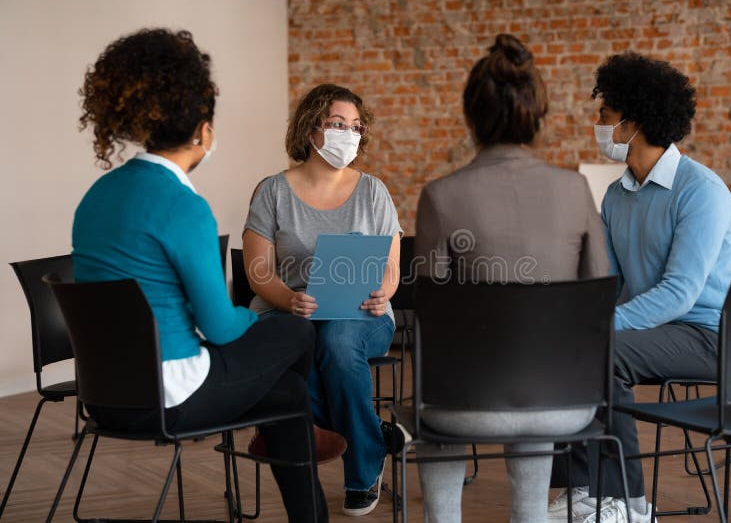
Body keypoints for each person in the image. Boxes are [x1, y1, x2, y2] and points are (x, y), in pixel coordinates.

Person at [71, 28, 328, 522]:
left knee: (290, 396)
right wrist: (259, 322)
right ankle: (303, 440)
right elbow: (222, 327)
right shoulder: (184, 206)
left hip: (104, 395)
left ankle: (293, 430)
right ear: (203, 131)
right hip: (171, 396)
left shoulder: (96, 197)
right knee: (293, 330)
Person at [413, 33, 608, 523]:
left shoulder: (440, 195)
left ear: (471, 115)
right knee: (535, 371)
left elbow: (427, 312)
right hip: (566, 402)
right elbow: (597, 297)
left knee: (439, 393)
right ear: (537, 115)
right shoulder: (576, 188)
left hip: (461, 406)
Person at [548, 52, 731, 523]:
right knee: (563, 346)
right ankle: (579, 492)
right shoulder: (617, 194)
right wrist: (577, 319)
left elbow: (681, 292)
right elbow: (611, 282)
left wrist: (601, 326)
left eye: (605, 116)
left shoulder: (702, 191)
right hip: (652, 331)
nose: (598, 125)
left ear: (633, 122)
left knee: (604, 349)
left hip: (706, 333)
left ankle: (627, 501)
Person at [242, 83, 406, 516]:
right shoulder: (272, 191)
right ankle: (372, 435)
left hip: (362, 314)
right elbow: (258, 271)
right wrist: (287, 298)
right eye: (337, 124)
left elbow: (391, 266)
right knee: (302, 341)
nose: (348, 134)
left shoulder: (374, 191)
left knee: (336, 341)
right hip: (290, 311)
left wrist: (382, 293)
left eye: (355, 126)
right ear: (310, 128)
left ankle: (361, 469)